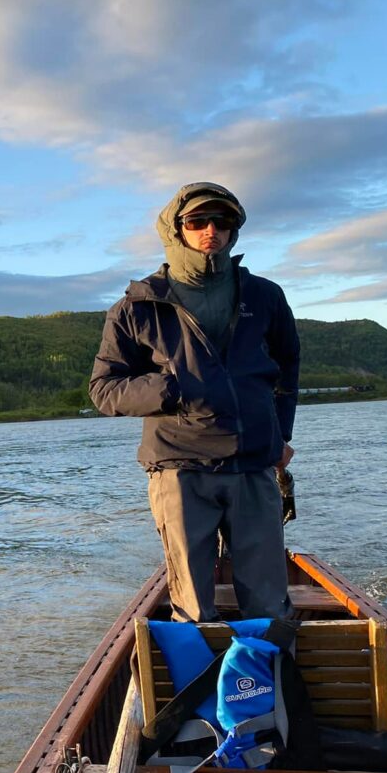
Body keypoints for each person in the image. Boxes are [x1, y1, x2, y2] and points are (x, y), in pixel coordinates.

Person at [89, 182, 299, 621]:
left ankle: (270, 667)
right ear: (175, 228)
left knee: (269, 607)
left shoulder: (265, 296)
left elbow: (288, 367)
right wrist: (174, 389)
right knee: (192, 610)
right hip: (180, 469)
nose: (211, 230)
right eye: (197, 221)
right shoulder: (137, 306)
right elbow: (104, 389)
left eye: (222, 221)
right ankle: (198, 665)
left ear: (234, 230)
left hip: (253, 464)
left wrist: (281, 435)